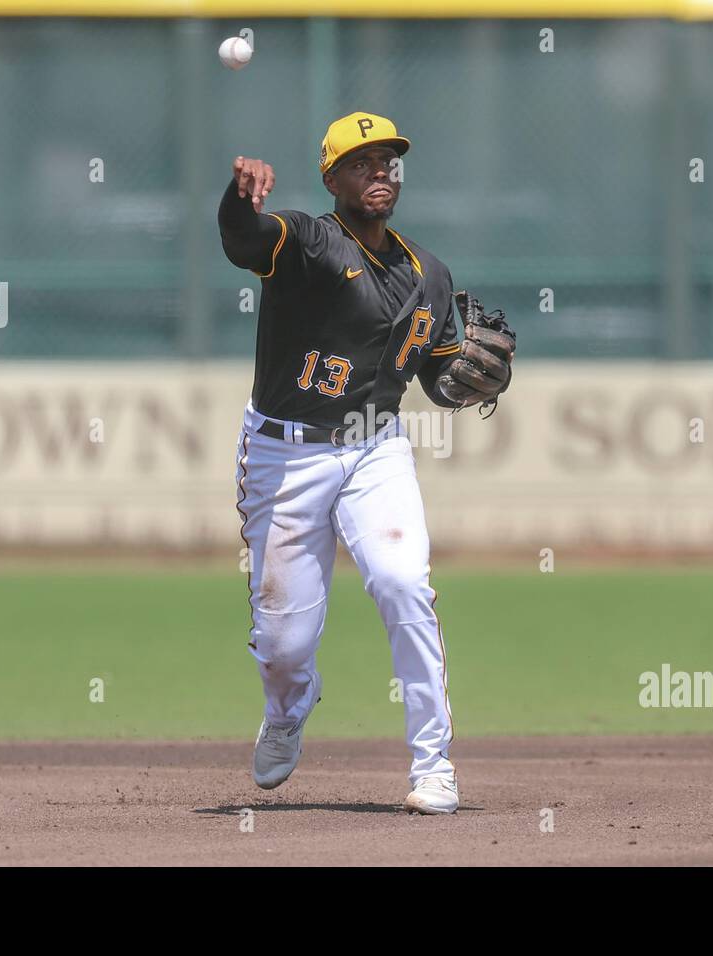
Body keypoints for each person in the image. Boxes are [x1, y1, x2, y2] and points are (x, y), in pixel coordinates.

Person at [216, 111, 512, 814]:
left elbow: (439, 374)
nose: (378, 172)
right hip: (284, 455)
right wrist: (239, 198)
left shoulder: (428, 274)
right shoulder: (309, 242)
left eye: (387, 161)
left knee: (403, 582)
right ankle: (288, 709)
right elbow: (243, 240)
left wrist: (464, 378)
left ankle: (433, 765)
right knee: (286, 640)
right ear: (332, 178)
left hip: (375, 448)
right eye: (361, 162)